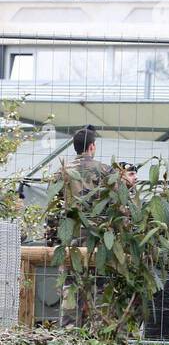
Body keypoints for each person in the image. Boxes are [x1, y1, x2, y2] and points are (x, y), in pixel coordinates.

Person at [54, 126, 111, 327]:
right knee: (99, 287)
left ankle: (68, 333)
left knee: (70, 286)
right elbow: (115, 203)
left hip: (71, 236)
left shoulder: (63, 172)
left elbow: (55, 206)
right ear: (92, 146)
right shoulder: (104, 170)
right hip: (98, 237)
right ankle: (98, 333)